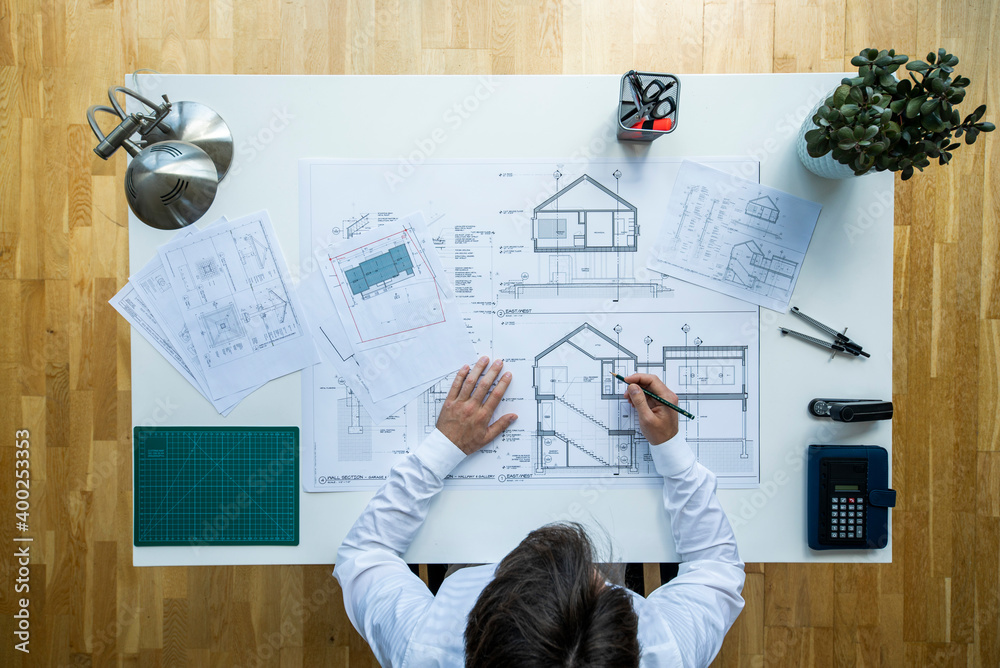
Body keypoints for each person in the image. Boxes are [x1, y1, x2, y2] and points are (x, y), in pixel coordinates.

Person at [334, 356, 745, 667]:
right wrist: (671, 450)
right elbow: (716, 570)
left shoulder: (425, 649)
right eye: (595, 582)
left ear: (474, 625)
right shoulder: (664, 652)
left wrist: (443, 447)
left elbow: (363, 556)